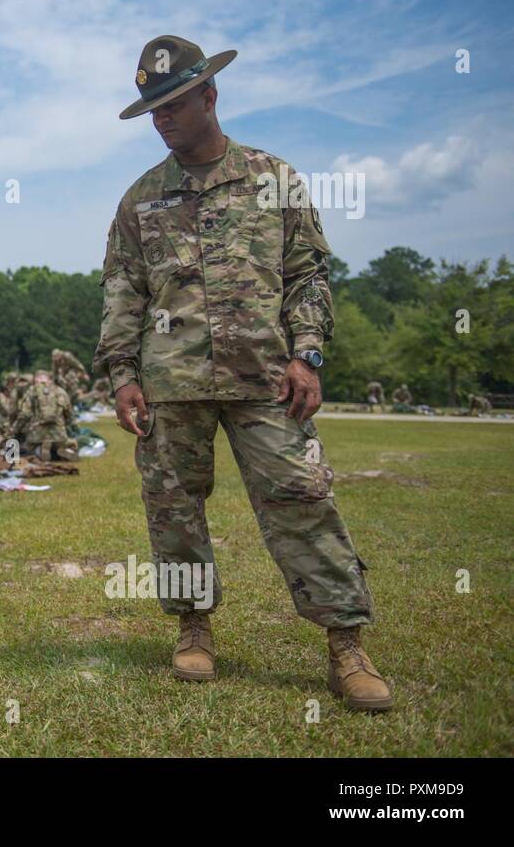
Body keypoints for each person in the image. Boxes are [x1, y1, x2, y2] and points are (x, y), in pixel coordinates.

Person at [94, 34, 390, 711]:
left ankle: (347, 646)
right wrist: (121, 374)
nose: (163, 119)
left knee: (303, 499)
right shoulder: (139, 200)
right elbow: (123, 293)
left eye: (173, 104)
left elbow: (307, 273)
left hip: (266, 377)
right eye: (153, 110)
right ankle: (193, 628)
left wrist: (306, 352)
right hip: (173, 384)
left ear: (209, 96)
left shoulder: (271, 177)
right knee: (175, 514)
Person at [20, 370, 79, 460]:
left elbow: (25, 414)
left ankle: (41, 450)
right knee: (66, 444)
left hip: (37, 432)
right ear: (50, 380)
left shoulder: (32, 391)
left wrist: (15, 430)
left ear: (35, 380)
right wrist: (70, 427)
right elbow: (69, 414)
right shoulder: (61, 391)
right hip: (58, 432)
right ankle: (65, 450)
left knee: (27, 449)